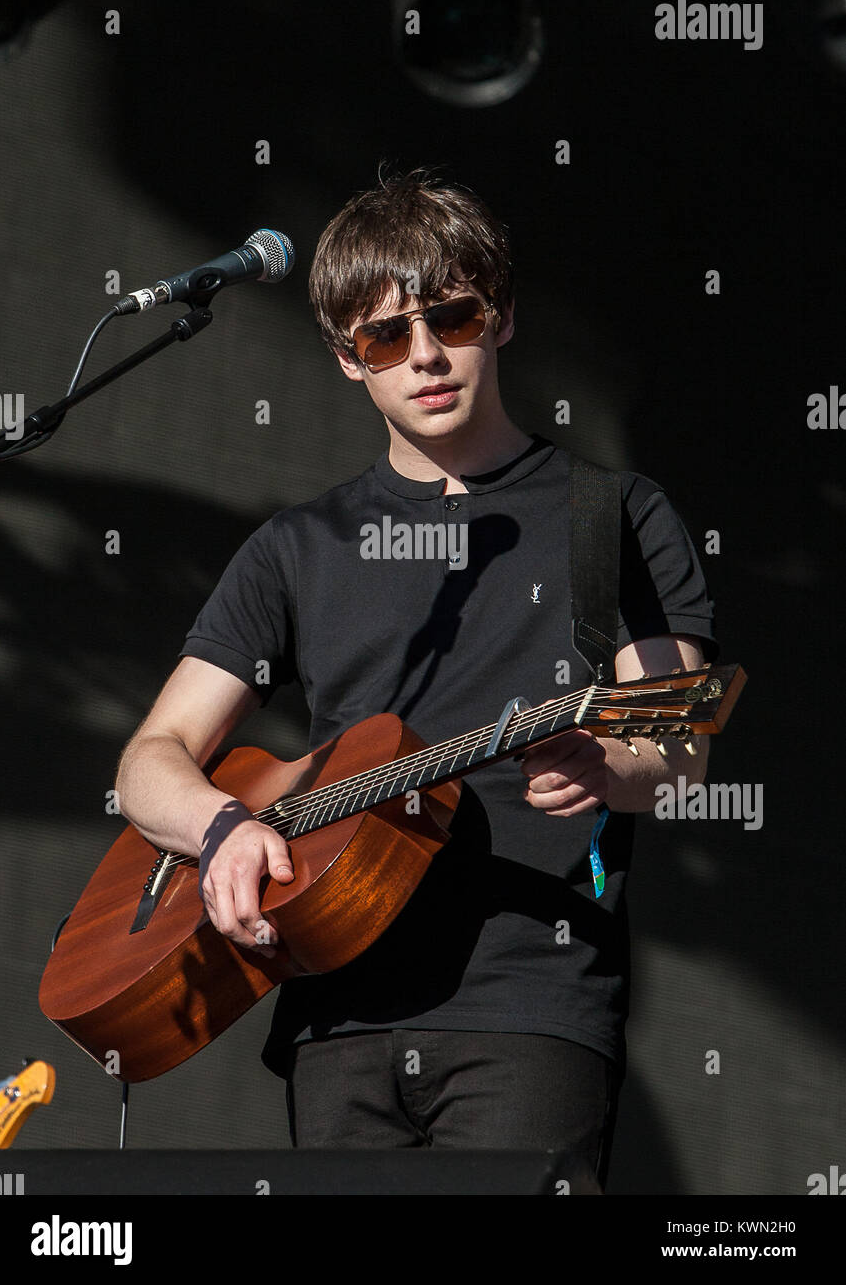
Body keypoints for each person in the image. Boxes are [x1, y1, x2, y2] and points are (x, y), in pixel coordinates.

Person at [115, 169, 717, 1188]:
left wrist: (610, 762)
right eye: (384, 336)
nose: (424, 355)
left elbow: (682, 750)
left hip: (528, 1003)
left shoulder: (610, 516)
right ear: (347, 360)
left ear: (504, 314)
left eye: (452, 316)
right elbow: (148, 761)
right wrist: (223, 828)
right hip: (332, 1005)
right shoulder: (298, 546)